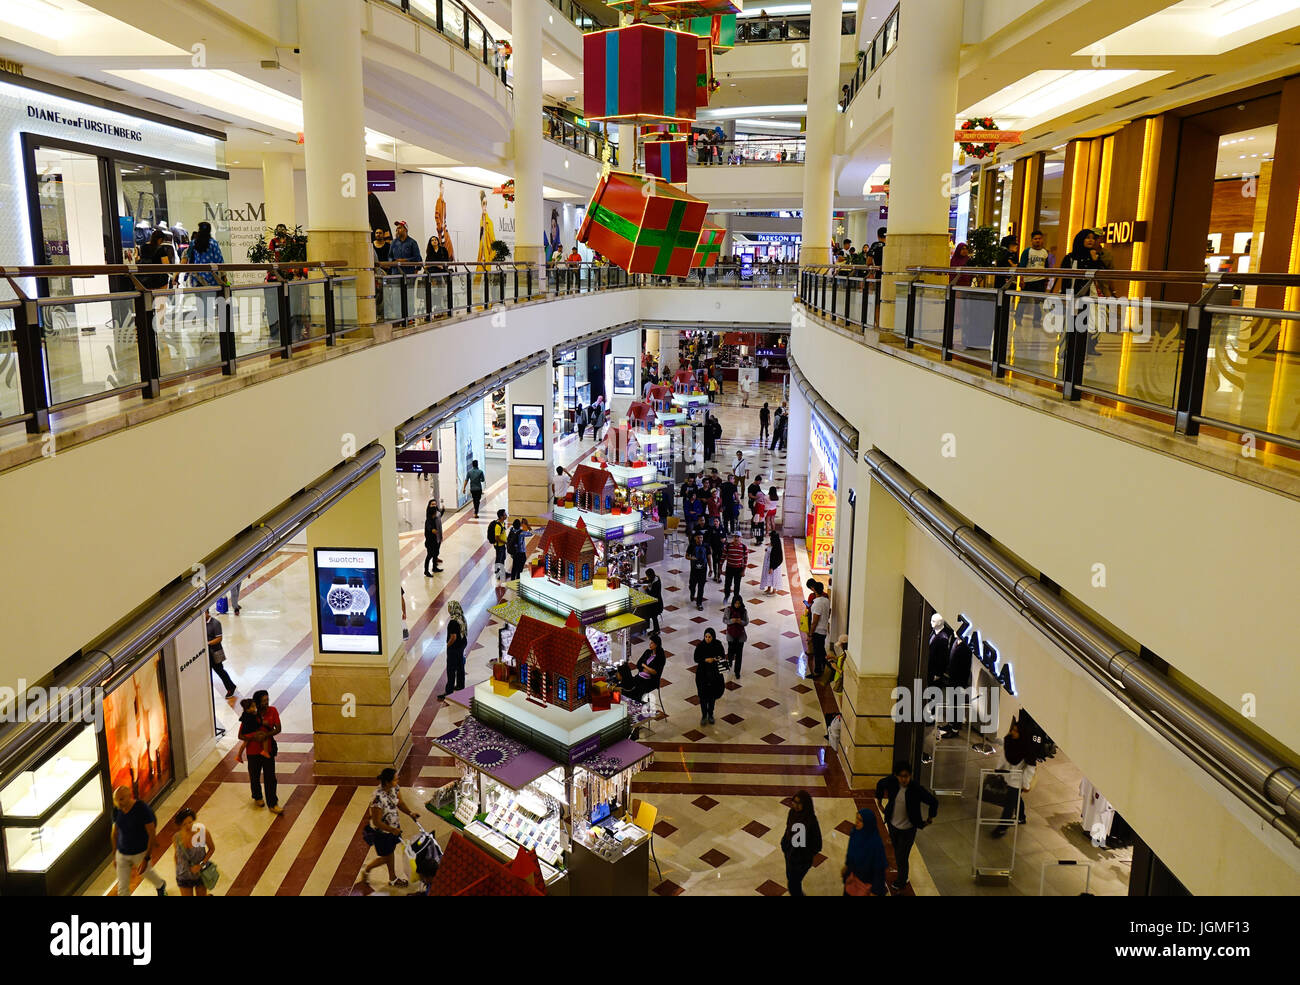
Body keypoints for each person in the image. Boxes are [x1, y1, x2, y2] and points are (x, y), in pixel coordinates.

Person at [875, 761, 939, 892]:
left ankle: (901, 881)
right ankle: (903, 876)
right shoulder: (892, 782)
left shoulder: (915, 789)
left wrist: (930, 818)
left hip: (908, 830)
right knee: (899, 852)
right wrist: (879, 801)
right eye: (901, 776)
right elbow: (880, 784)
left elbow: (933, 801)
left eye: (907, 776)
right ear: (896, 776)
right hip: (893, 826)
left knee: (901, 856)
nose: (904, 779)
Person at [362, 767, 422, 889]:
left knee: (390, 853)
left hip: (393, 828)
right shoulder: (377, 798)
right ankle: (368, 869)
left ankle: (392, 878)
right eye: (395, 780)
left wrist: (410, 813)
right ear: (387, 782)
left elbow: (399, 803)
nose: (397, 781)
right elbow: (377, 822)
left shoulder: (395, 788)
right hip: (382, 833)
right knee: (386, 857)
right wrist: (392, 830)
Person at [111, 786, 166, 896]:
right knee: (122, 888)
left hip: (140, 852)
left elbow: (151, 832)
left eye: (121, 799)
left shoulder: (142, 809)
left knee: (147, 873)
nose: (118, 803)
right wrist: (114, 854)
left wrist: (146, 858)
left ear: (129, 796)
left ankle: (160, 884)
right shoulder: (117, 810)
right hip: (122, 853)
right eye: (116, 800)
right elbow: (114, 832)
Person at [239, 690, 283, 814]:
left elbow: (278, 728)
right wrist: (254, 738)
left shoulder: (272, 711)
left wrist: (266, 735)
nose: (267, 703)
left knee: (270, 777)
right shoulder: (250, 714)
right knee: (254, 776)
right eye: (264, 701)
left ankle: (273, 803)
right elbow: (240, 735)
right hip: (252, 751)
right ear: (257, 702)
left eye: (267, 700)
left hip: (267, 749)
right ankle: (257, 796)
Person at [992, 717, 1035, 837]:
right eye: (1013, 730)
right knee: (1014, 798)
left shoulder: (1027, 748)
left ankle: (1002, 828)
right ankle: (1021, 816)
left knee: (1010, 803)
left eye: (1016, 731)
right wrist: (998, 770)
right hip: (1007, 775)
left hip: (1017, 780)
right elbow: (1004, 757)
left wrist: (1026, 784)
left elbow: (1030, 768)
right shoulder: (1009, 740)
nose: (1013, 733)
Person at [780, 789, 822, 896]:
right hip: (790, 855)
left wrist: (805, 854)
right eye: (794, 801)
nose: (795, 805)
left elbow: (817, 844)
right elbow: (788, 828)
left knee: (793, 885)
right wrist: (785, 844)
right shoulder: (792, 813)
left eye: (799, 803)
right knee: (792, 881)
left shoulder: (811, 821)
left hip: (801, 861)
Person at [842, 808, 888, 896]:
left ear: (868, 823)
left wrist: (875, 891)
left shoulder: (876, 844)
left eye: (860, 820)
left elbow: (879, 870)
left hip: (866, 882)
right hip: (853, 877)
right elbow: (850, 851)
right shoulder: (855, 832)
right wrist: (847, 865)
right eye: (856, 818)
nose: (856, 822)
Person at [172, 806, 216, 897]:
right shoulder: (176, 838)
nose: (188, 826)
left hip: (200, 873)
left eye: (190, 822)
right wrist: (178, 869)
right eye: (184, 824)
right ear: (180, 825)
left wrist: (201, 864)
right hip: (183, 875)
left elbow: (212, 849)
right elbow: (176, 855)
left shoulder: (203, 833)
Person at [1016, 229, 1053, 329]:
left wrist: (1046, 279)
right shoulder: (1027, 251)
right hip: (1028, 281)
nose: (1037, 240)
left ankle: (1036, 320)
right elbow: (1022, 266)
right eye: (1035, 239)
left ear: (1042, 240)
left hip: (1040, 281)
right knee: (1023, 301)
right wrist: (1022, 279)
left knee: (1039, 303)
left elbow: (1046, 267)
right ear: (1031, 240)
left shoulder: (1045, 252)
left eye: (1039, 238)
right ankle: (1018, 318)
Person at [693, 628, 726, 726]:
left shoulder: (718, 645)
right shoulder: (700, 646)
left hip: (714, 675)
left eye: (709, 637)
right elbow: (696, 658)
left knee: (712, 697)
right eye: (706, 637)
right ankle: (704, 716)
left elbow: (722, 657)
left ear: (713, 637)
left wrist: (714, 659)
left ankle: (710, 714)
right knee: (703, 697)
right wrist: (705, 660)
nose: (707, 639)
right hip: (702, 675)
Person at [618, 634, 665, 701]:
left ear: (656, 645)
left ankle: (635, 698)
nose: (650, 645)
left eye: (652, 643)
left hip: (650, 681)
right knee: (625, 670)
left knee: (633, 688)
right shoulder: (647, 652)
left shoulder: (660, 657)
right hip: (640, 676)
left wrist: (645, 666)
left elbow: (655, 672)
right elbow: (638, 664)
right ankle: (625, 689)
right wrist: (645, 668)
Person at [438, 600, 469, 699]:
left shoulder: (453, 622)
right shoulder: (461, 617)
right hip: (462, 644)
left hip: (454, 647)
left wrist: (447, 645)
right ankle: (460, 685)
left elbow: (453, 637)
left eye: (449, 608)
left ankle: (449, 690)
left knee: (451, 669)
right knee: (460, 666)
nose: (448, 609)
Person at [206, 608, 235, 698]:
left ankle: (230, 687)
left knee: (220, 671)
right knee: (207, 672)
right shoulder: (200, 623)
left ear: (207, 613)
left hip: (214, 652)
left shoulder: (215, 623)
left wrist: (208, 643)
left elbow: (219, 638)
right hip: (206, 652)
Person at [807, 581, 830, 678]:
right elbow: (829, 612)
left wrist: (810, 634)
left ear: (814, 590)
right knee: (821, 650)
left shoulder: (817, 604)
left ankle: (818, 671)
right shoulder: (826, 600)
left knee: (817, 652)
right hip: (824, 629)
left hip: (818, 631)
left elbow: (815, 621)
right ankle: (828, 666)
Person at [723, 595, 749, 677]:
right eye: (736, 603)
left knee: (739, 654)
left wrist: (740, 622)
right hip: (731, 635)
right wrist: (732, 621)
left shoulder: (743, 611)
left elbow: (746, 622)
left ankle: (737, 672)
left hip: (740, 636)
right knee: (730, 651)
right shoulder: (728, 610)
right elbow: (724, 620)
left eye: (739, 603)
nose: (737, 605)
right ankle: (730, 660)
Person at [722, 531, 749, 602]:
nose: (736, 538)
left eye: (738, 537)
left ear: (741, 538)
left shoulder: (744, 547)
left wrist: (743, 571)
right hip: (729, 568)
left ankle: (735, 599)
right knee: (727, 584)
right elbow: (723, 557)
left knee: (737, 585)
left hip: (738, 569)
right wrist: (720, 568)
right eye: (735, 537)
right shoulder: (728, 546)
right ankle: (726, 596)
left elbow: (745, 560)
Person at [687, 531, 710, 610]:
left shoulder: (706, 546)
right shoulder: (692, 545)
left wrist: (711, 569)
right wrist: (691, 558)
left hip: (703, 569)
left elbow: (709, 557)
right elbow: (686, 556)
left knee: (701, 587)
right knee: (692, 585)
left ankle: (699, 603)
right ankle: (692, 593)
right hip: (694, 569)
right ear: (695, 538)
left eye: (701, 537)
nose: (700, 539)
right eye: (698, 537)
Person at [424, 498, 445, 576]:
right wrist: (432, 529)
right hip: (431, 540)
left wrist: (443, 510)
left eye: (435, 504)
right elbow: (428, 525)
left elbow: (440, 515)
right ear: (429, 506)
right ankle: (426, 571)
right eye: (432, 504)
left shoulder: (437, 513)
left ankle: (434, 567)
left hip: (438, 538)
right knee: (429, 555)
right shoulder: (429, 516)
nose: (434, 505)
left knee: (436, 553)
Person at [759, 527, 782, 595]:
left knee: (774, 577)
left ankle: (774, 590)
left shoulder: (776, 547)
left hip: (774, 565)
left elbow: (776, 558)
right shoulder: (773, 543)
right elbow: (769, 549)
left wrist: (772, 567)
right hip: (768, 563)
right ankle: (768, 588)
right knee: (768, 576)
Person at [488, 508, 509, 580]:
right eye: (505, 515)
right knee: (499, 559)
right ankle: (498, 574)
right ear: (501, 516)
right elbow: (496, 538)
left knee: (502, 558)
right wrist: (505, 542)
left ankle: (502, 572)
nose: (506, 516)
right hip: (499, 546)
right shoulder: (498, 526)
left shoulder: (502, 523)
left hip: (502, 545)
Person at [642, 568, 663, 634]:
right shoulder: (655, 578)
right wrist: (643, 582)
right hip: (655, 603)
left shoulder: (656, 583)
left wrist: (646, 589)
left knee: (654, 617)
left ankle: (656, 630)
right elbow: (649, 581)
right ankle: (656, 629)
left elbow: (652, 594)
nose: (647, 577)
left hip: (656, 604)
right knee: (654, 617)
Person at [705, 515, 725, 583]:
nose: (715, 522)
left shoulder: (722, 529)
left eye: (717, 521)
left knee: (720, 562)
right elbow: (708, 540)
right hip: (713, 549)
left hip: (720, 549)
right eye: (714, 521)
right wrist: (710, 548)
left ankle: (719, 576)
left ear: (719, 522)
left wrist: (724, 540)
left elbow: (725, 538)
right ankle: (715, 575)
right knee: (714, 562)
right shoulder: (711, 529)